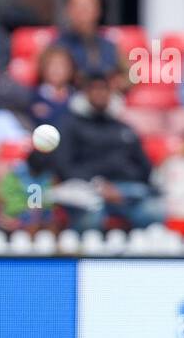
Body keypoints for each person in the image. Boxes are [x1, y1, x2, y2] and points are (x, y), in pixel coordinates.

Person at [52, 75, 163, 231]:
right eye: (94, 89)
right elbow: (64, 166)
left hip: (128, 193)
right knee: (90, 219)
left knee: (154, 212)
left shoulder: (124, 128)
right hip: (87, 192)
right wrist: (98, 185)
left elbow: (144, 167)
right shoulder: (70, 126)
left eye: (103, 89)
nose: (100, 94)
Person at [56, 0, 120, 81]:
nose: (82, 12)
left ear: (98, 10)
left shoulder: (111, 47)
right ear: (67, 10)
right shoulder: (57, 47)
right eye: (77, 6)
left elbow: (132, 77)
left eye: (87, 6)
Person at [32, 45, 77, 126]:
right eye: (52, 64)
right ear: (43, 68)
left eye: (61, 65)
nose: (56, 69)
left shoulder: (78, 98)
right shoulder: (32, 98)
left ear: (71, 69)